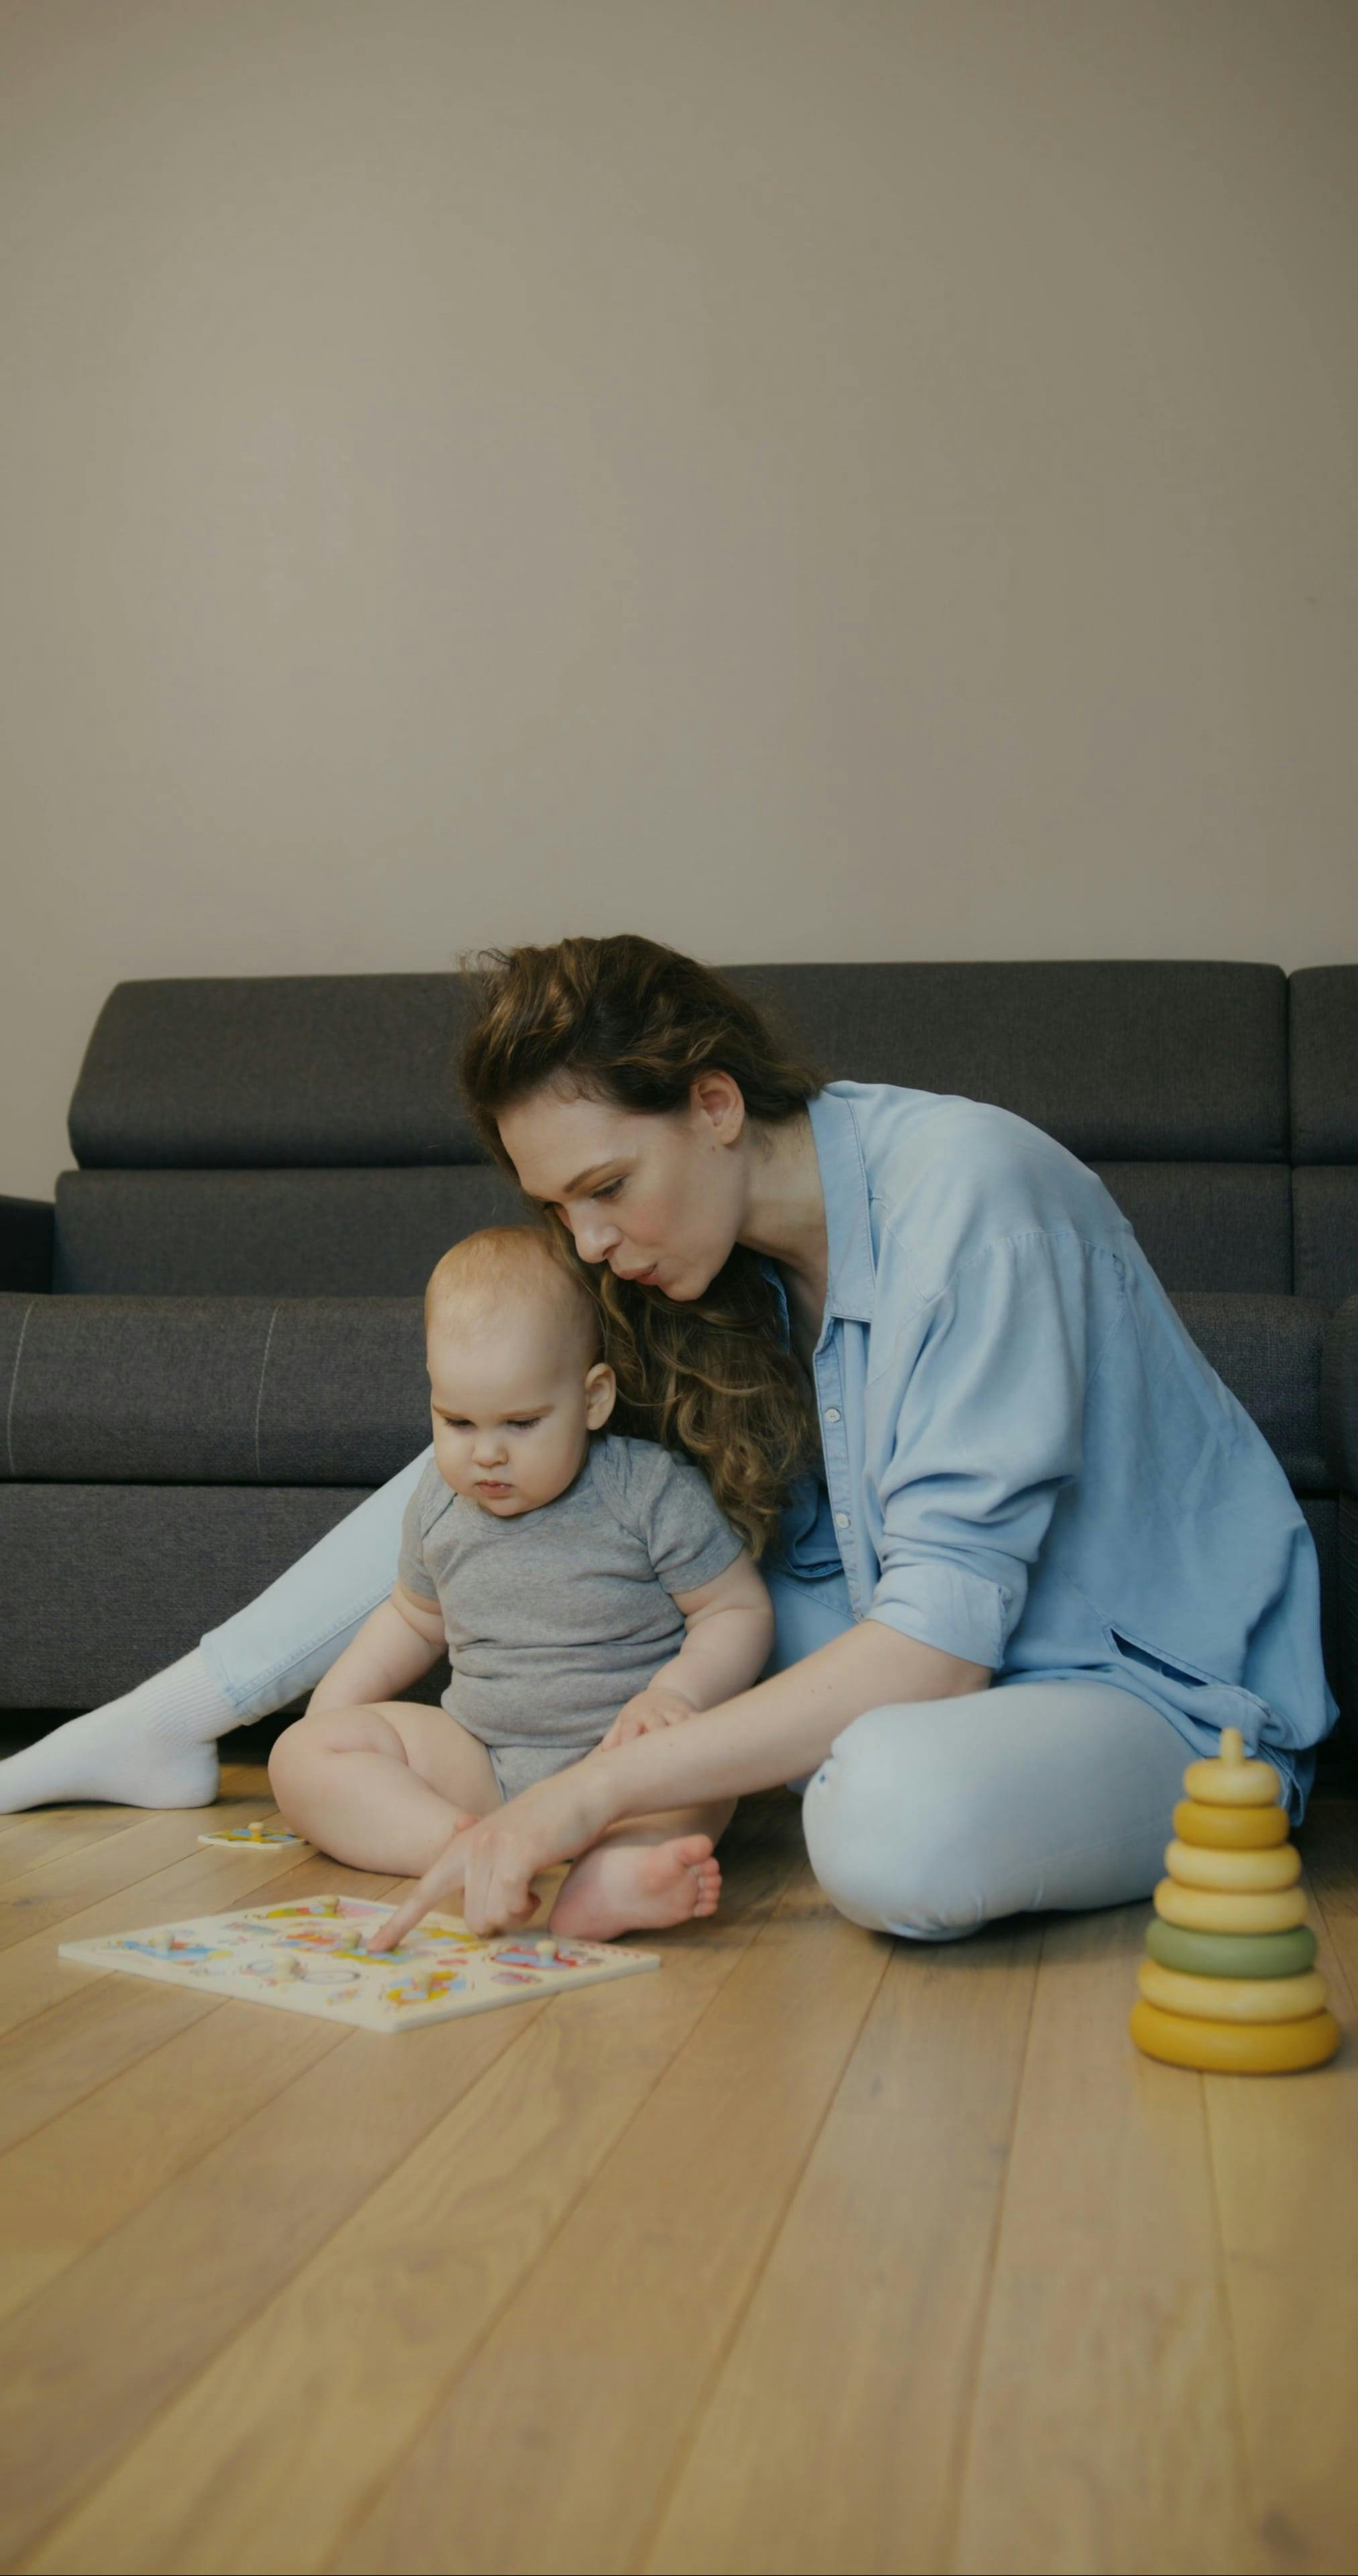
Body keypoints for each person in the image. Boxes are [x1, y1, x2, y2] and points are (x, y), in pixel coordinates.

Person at [2, 937, 1337, 1957]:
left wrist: (584, 1795)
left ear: (712, 1106)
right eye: (555, 1206)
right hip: (873, 1630)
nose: (587, 1243)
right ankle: (178, 1716)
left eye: (604, 1189)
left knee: (885, 1822)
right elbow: (506, 1464)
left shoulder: (975, 1200)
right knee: (509, 1442)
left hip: (1136, 1694)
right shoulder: (708, 1259)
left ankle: (579, 1825)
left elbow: (934, 1651)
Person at [268, 1225, 771, 1939]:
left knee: (700, 1777)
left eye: (523, 1422)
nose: (487, 1454)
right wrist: (336, 1708)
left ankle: (612, 1878)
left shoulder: (646, 1490)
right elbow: (413, 1620)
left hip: (622, 1763)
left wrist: (676, 1696)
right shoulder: (440, 1502)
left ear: (593, 1400)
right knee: (302, 1756)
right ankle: (461, 1846)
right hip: (483, 1762)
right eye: (458, 1421)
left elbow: (736, 1610)